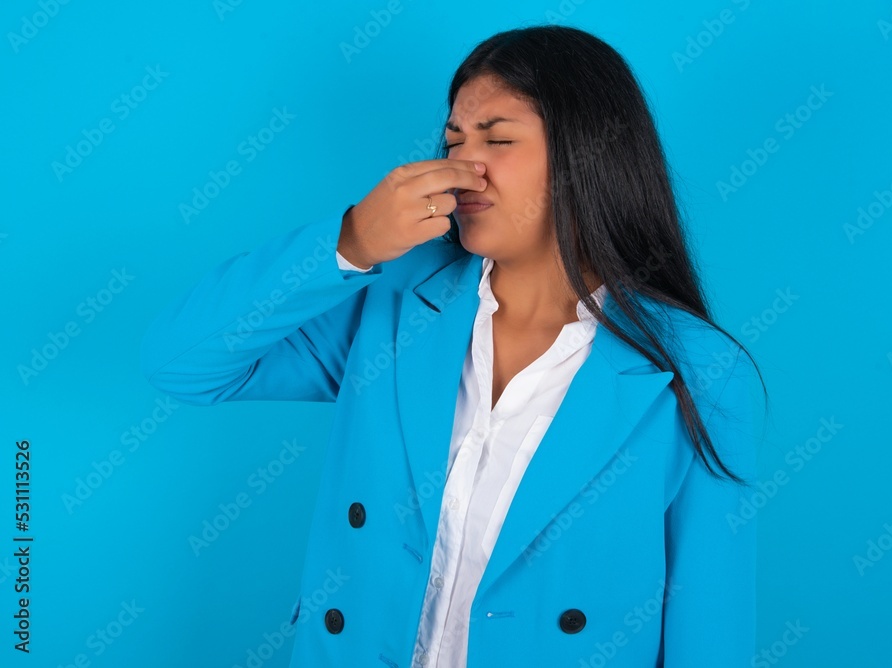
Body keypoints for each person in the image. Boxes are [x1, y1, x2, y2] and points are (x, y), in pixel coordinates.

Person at [140, 24, 766, 668]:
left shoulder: (699, 372)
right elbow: (181, 363)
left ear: (588, 153)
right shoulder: (393, 302)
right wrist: (351, 241)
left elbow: (709, 624)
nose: (464, 169)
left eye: (497, 139)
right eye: (454, 141)